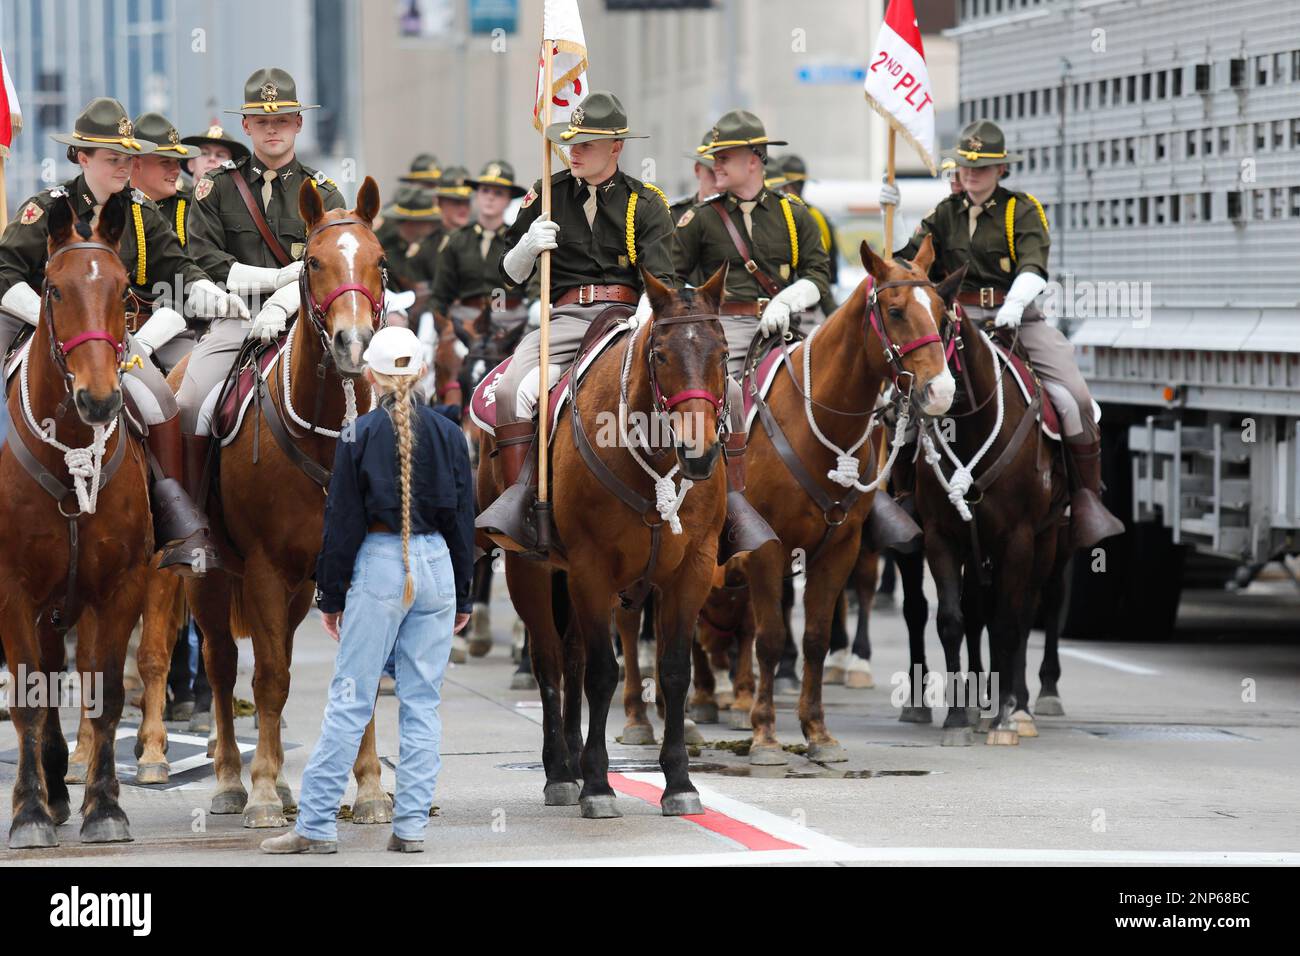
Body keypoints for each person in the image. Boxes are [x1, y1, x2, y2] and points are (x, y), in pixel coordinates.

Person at [476, 90, 768, 561]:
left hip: (632, 318)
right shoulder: (546, 193)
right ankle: (521, 501)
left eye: (586, 143)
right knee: (513, 391)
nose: (574, 150)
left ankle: (732, 507)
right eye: (572, 141)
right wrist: (528, 245)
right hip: (565, 319)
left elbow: (662, 280)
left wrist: (642, 320)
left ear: (616, 147)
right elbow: (507, 274)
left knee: (730, 393)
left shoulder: (645, 202)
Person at [0, 96, 244, 574]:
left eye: (128, 158)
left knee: (161, 402)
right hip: (36, 324)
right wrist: (49, 321)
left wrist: (205, 291)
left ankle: (174, 517)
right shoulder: (48, 208)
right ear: (82, 157)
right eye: (114, 158)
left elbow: (179, 265)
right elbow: (4, 272)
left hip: (109, 337)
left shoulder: (138, 211)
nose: (124, 167)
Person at [260, 326, 474, 854]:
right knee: (422, 703)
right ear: (422, 371)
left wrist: (329, 597)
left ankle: (315, 826)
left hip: (380, 566)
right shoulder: (450, 433)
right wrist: (463, 596)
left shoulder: (356, 435)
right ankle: (411, 830)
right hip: (438, 568)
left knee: (351, 699)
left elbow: (342, 525)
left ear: (371, 377)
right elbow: (463, 523)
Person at [879, 118, 1124, 548]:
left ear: (1001, 171)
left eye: (982, 167)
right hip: (953, 320)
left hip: (1016, 317)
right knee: (900, 404)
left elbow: (1034, 266)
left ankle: (1086, 500)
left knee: (1074, 398)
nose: (970, 175)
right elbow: (907, 266)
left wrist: (1013, 306)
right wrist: (894, 217)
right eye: (965, 167)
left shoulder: (1022, 210)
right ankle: (904, 498)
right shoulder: (945, 213)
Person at [178, 67, 345, 509]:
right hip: (236, 317)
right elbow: (203, 259)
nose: (273, 129)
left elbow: (331, 267)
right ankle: (193, 518)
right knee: (193, 401)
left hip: (308, 321)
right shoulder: (215, 188)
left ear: (298, 124)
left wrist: (284, 301)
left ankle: (375, 518)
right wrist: (272, 281)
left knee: (377, 397)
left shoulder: (324, 193)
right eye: (263, 121)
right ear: (247, 126)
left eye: (283, 119)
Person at [671, 110, 834, 560]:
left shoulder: (794, 214)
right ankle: (734, 503)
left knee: (846, 385)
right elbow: (671, 276)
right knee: (731, 400)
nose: (716, 166)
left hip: (790, 323)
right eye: (714, 158)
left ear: (755, 160)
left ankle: (857, 490)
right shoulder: (701, 219)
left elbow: (819, 275)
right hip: (727, 328)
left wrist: (786, 302)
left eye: (725, 157)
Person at [129, 111, 208, 370]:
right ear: (136, 163)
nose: (176, 170)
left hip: (179, 330)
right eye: (165, 162)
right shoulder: (112, 207)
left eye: (178, 161)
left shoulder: (193, 209)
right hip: (113, 330)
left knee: (194, 393)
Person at [777, 154, 840, 316]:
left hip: (811, 306)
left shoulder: (813, 216)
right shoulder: (812, 214)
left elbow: (822, 267)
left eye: (798, 184)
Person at [181, 123, 251, 184]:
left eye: (220, 155)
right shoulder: (174, 199)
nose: (212, 158)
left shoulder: (245, 199)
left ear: (232, 168)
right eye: (204, 153)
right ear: (191, 164)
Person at [432, 164, 473, 232]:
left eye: (466, 202)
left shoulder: (479, 239)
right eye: (457, 202)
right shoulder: (429, 239)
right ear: (439, 202)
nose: (463, 208)